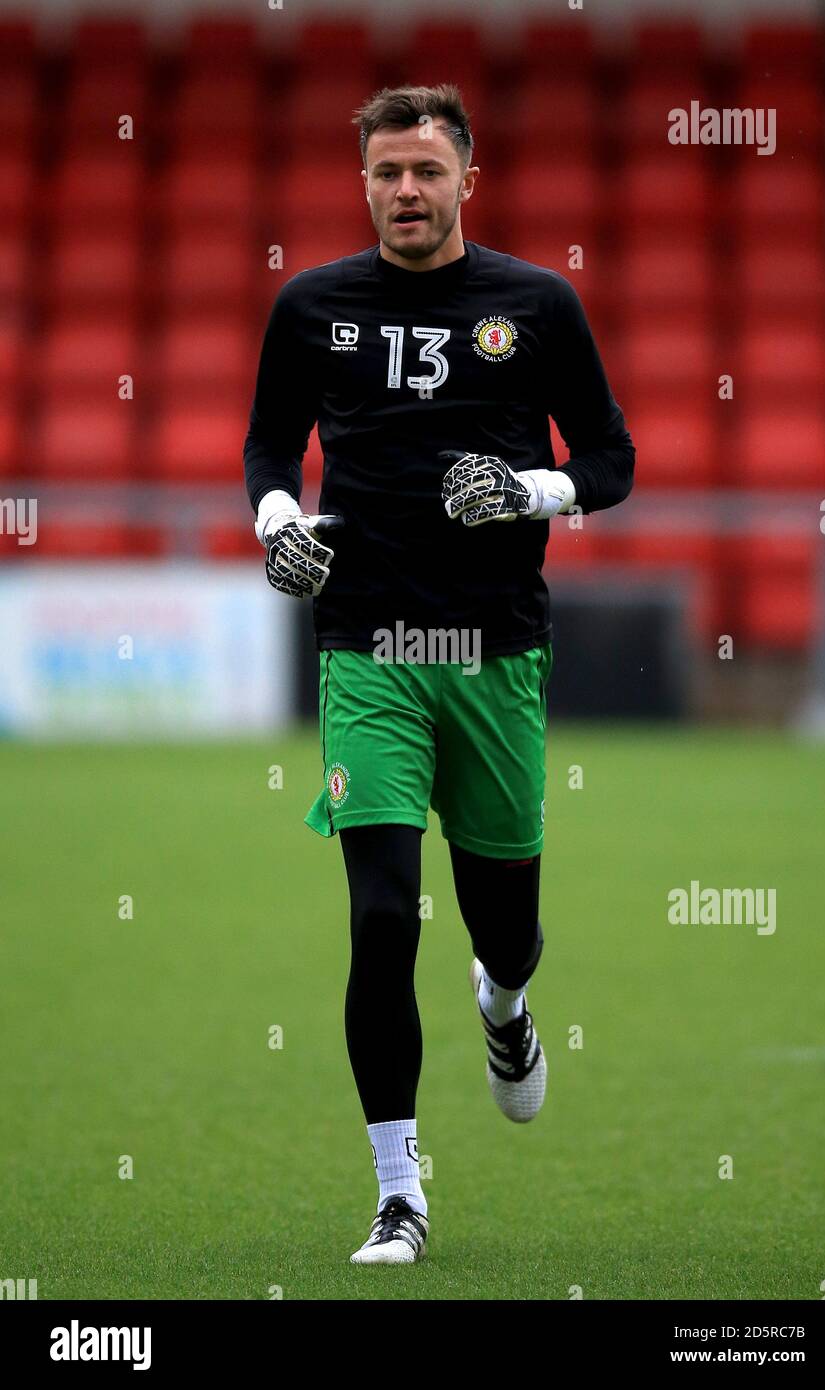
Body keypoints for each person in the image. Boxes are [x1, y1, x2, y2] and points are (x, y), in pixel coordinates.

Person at [244, 83, 634, 1265]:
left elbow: (610, 457)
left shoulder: (536, 302)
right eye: (385, 173)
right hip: (368, 648)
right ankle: (399, 1190)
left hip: (495, 649)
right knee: (377, 918)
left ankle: (505, 1009)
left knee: (503, 928)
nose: (406, 191)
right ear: (361, 184)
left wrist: (534, 489)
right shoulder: (312, 305)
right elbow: (269, 442)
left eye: (425, 170)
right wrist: (276, 518)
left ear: (469, 178)